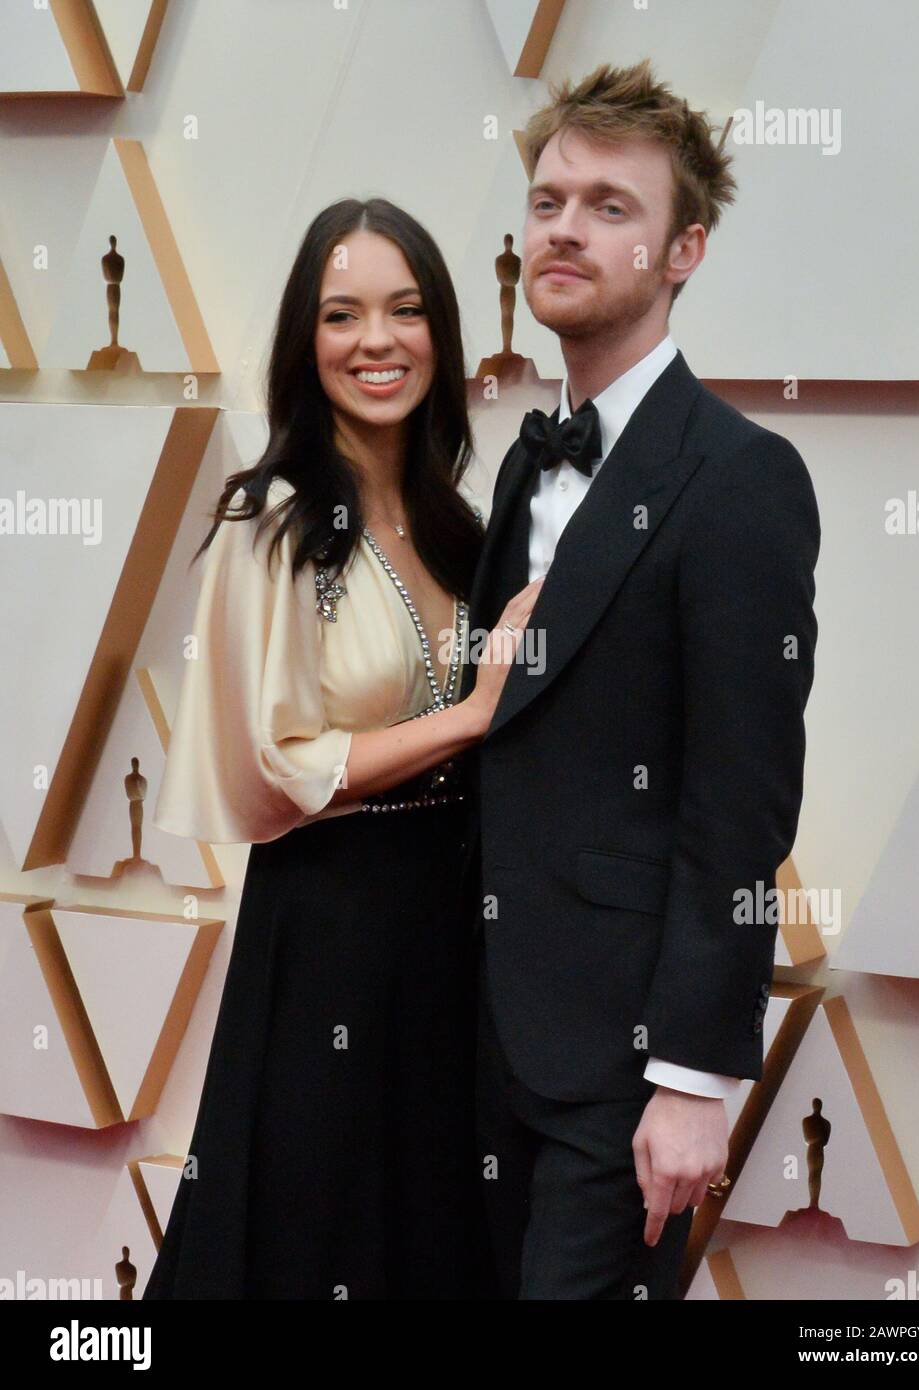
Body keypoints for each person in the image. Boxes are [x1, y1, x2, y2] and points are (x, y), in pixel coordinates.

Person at [461, 60, 821, 1299]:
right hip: (480, 1043)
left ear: (683, 252)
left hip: (623, 1081)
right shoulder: (523, 466)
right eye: (548, 199)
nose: (564, 226)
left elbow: (743, 806)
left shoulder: (740, 477)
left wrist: (693, 1081)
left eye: (610, 205)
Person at [142, 198, 540, 1300]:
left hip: (453, 932)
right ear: (302, 342)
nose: (377, 341)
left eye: (406, 311)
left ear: (441, 335)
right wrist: (473, 714)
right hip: (328, 921)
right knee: (315, 1233)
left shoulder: (454, 521)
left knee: (436, 1238)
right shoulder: (266, 522)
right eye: (342, 314)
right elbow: (279, 764)